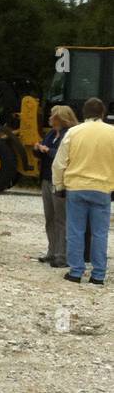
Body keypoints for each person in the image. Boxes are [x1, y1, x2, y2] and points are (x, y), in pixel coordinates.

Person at [52, 96, 114, 284]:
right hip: (103, 188)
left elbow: (59, 163)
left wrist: (59, 186)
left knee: (75, 230)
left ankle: (76, 271)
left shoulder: (73, 132)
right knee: (100, 232)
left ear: (83, 113)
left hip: (76, 188)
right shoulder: (112, 132)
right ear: (102, 113)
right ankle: (98, 274)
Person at [34, 104, 78, 267]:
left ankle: (62, 255)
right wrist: (38, 149)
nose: (49, 118)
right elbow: (45, 154)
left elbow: (64, 157)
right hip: (46, 178)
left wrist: (47, 151)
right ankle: (51, 251)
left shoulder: (68, 135)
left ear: (60, 119)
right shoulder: (51, 133)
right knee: (49, 217)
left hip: (59, 181)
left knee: (61, 219)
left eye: (52, 116)